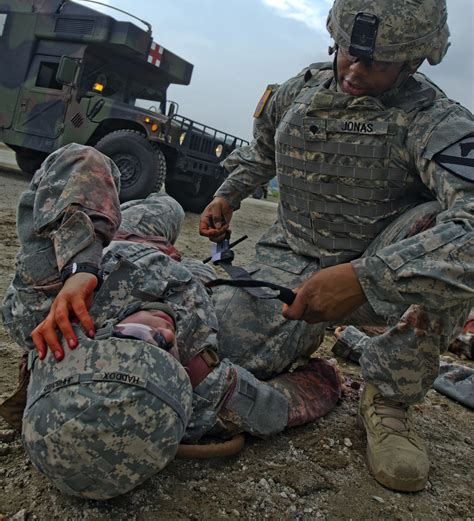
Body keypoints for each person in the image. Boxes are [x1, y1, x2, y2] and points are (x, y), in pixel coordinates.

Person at [199, 0, 474, 493]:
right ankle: (313, 360)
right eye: (348, 52)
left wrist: (363, 277)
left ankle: (389, 399)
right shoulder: (297, 94)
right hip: (291, 264)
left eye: (375, 64)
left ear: (416, 61)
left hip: (380, 272)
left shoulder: (436, 123)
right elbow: (260, 154)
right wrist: (226, 195)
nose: (353, 71)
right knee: (215, 347)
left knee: (443, 231)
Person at [0, 143, 341, 500]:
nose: (162, 331)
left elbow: (77, 160)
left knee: (170, 207)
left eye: (132, 335)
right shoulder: (202, 390)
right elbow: (281, 406)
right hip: (198, 283)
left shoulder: (41, 308)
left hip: (120, 241)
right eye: (168, 351)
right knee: (292, 314)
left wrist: (79, 266)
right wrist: (329, 377)